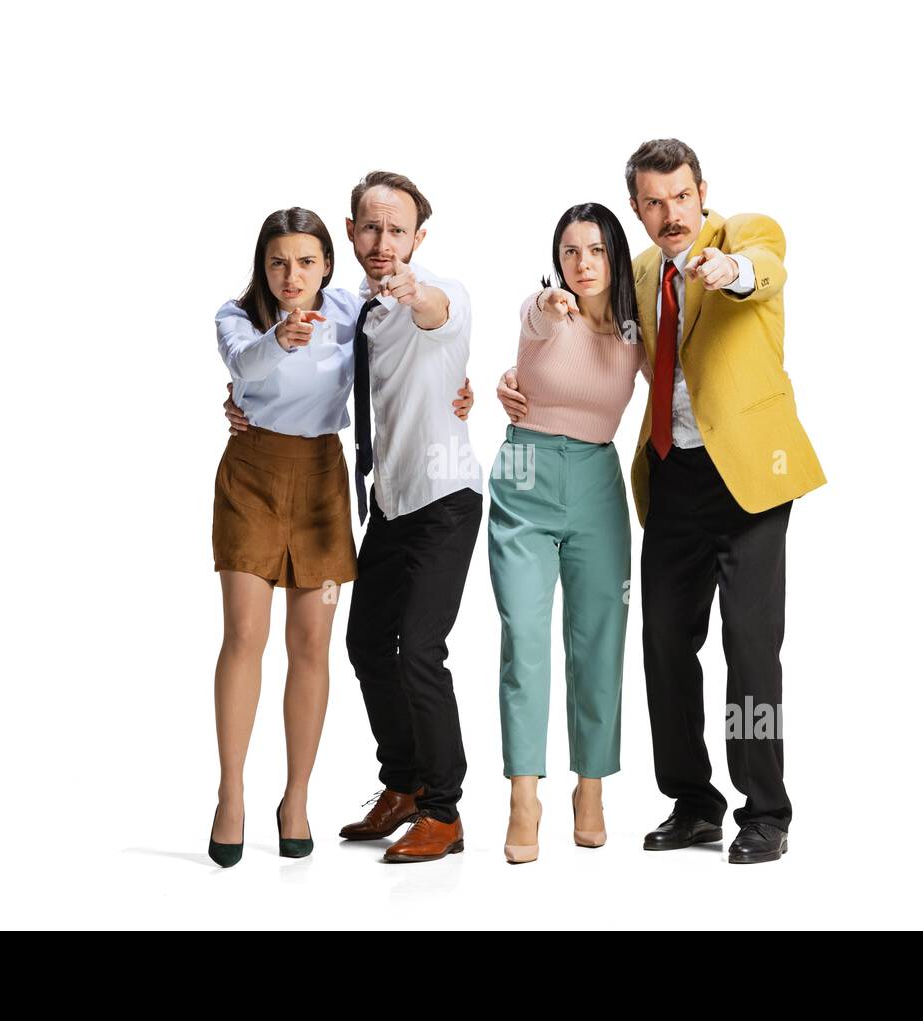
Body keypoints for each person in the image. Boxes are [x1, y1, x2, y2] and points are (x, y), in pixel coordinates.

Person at [223, 171, 483, 865]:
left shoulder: (438, 291)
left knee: (420, 649)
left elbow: (436, 314)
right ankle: (400, 782)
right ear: (350, 234)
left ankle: (444, 810)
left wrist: (415, 293)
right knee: (368, 643)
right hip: (388, 502)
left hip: (445, 499)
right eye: (371, 227)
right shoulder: (353, 311)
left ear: (419, 238)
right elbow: (274, 361)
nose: (384, 241)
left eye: (398, 230)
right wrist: (242, 395)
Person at [624, 138, 825, 863]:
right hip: (674, 476)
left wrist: (730, 269)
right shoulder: (643, 269)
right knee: (664, 644)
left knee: (749, 647)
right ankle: (692, 801)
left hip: (750, 481)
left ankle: (765, 809)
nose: (670, 213)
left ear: (702, 191)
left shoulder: (745, 233)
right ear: (638, 207)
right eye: (653, 201)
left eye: (681, 196)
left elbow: (764, 272)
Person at [487, 203, 646, 864]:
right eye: (571, 250)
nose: (582, 263)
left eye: (596, 250)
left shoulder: (637, 330)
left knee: (598, 638)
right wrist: (547, 309)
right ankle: (524, 797)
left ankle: (591, 787)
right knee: (524, 638)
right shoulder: (545, 306)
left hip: (597, 483)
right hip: (525, 475)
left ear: (615, 256)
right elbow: (538, 315)